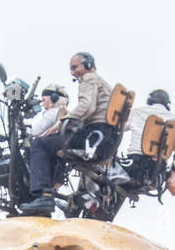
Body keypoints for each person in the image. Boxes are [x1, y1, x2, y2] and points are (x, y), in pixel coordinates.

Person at [19, 52, 112, 216]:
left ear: (88, 64)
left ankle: (45, 195)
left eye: (75, 67)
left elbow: (87, 106)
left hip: (93, 137)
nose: (73, 72)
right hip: (105, 139)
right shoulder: (105, 85)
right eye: (71, 69)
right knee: (56, 142)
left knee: (40, 143)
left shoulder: (89, 79)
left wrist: (63, 122)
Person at [0, 85, 68, 207]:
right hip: (45, 163)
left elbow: (36, 130)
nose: (42, 104)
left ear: (54, 98)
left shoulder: (55, 112)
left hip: (48, 166)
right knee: (8, 165)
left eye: (44, 100)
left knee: (8, 164)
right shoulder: (53, 114)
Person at [122, 89, 175, 188]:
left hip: (133, 166)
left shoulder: (138, 112)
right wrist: (173, 171)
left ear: (150, 101)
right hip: (156, 174)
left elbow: (119, 127)